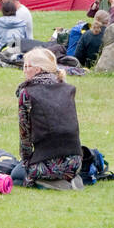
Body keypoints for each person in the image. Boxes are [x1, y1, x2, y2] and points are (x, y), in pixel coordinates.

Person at [12, 47, 83, 189]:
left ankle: (52, 182)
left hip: (47, 164)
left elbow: (25, 135)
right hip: (76, 162)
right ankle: (69, 178)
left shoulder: (27, 93)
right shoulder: (67, 89)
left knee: (16, 175)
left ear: (38, 69)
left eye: (27, 66)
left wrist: (26, 164)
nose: (24, 70)